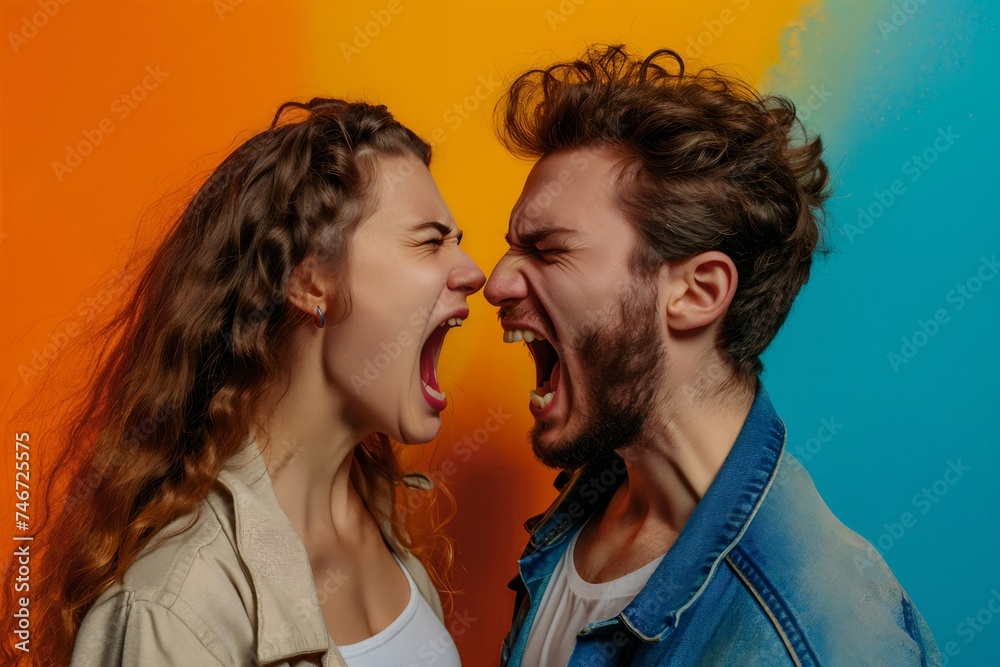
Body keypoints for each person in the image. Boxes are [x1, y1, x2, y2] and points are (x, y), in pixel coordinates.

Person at [485, 45, 941, 666]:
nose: (497, 283)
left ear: (696, 293)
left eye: (548, 250)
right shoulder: (580, 517)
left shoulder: (819, 635)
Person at [0, 98, 485, 666]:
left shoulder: (384, 534)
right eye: (429, 242)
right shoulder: (172, 608)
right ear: (310, 281)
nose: (475, 271)